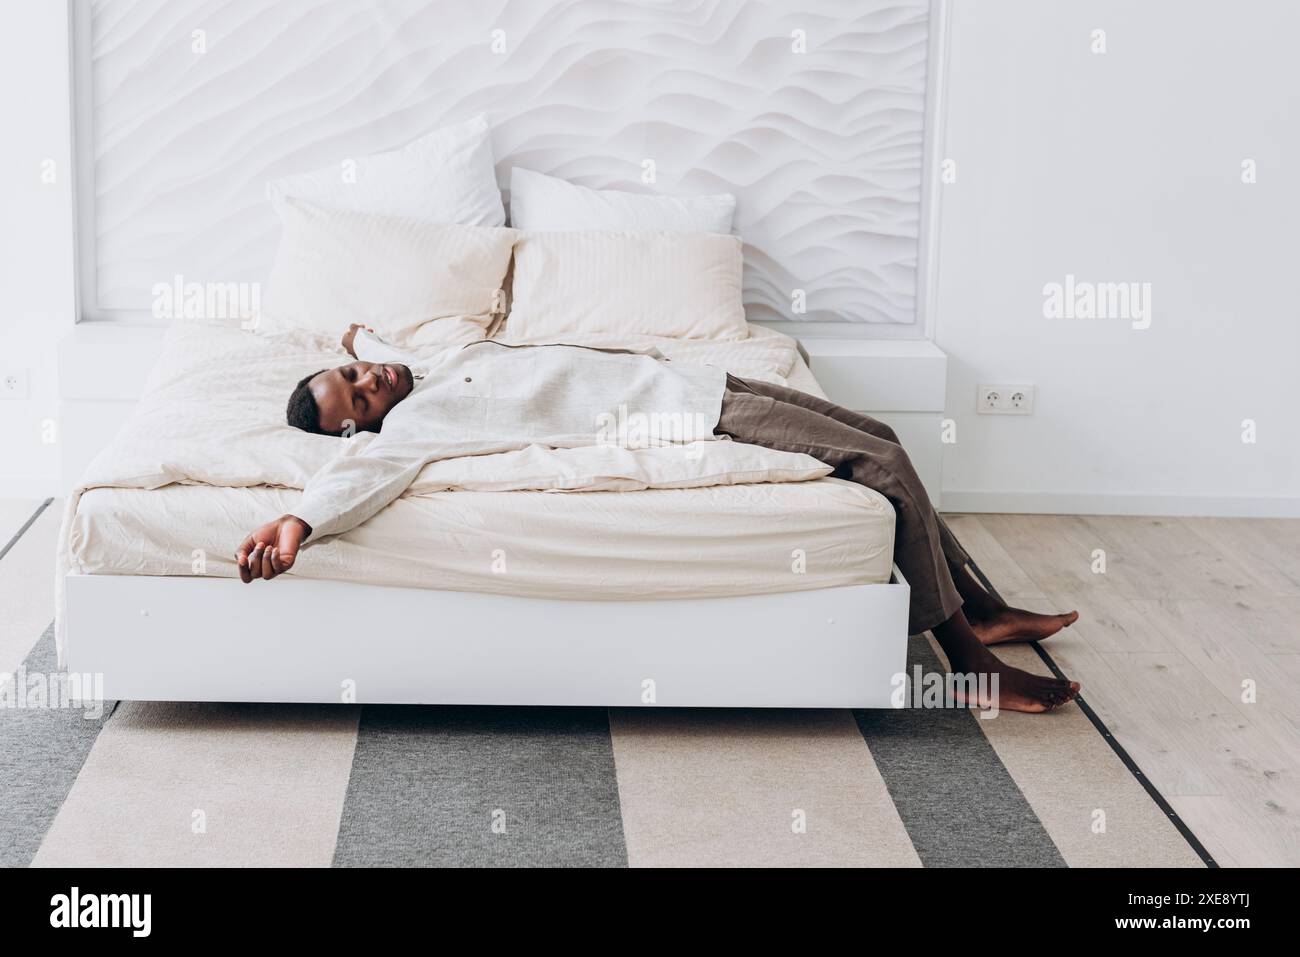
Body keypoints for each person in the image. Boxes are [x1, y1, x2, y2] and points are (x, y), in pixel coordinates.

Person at [239, 324, 1080, 713]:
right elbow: (363, 475)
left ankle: (980, 603)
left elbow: (383, 341)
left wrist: (364, 336)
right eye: (356, 394)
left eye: (356, 368)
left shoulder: (439, 360)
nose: (370, 377)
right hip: (690, 419)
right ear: (357, 423)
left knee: (885, 437)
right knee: (884, 466)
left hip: (697, 377)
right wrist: (297, 522)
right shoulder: (415, 426)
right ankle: (967, 659)